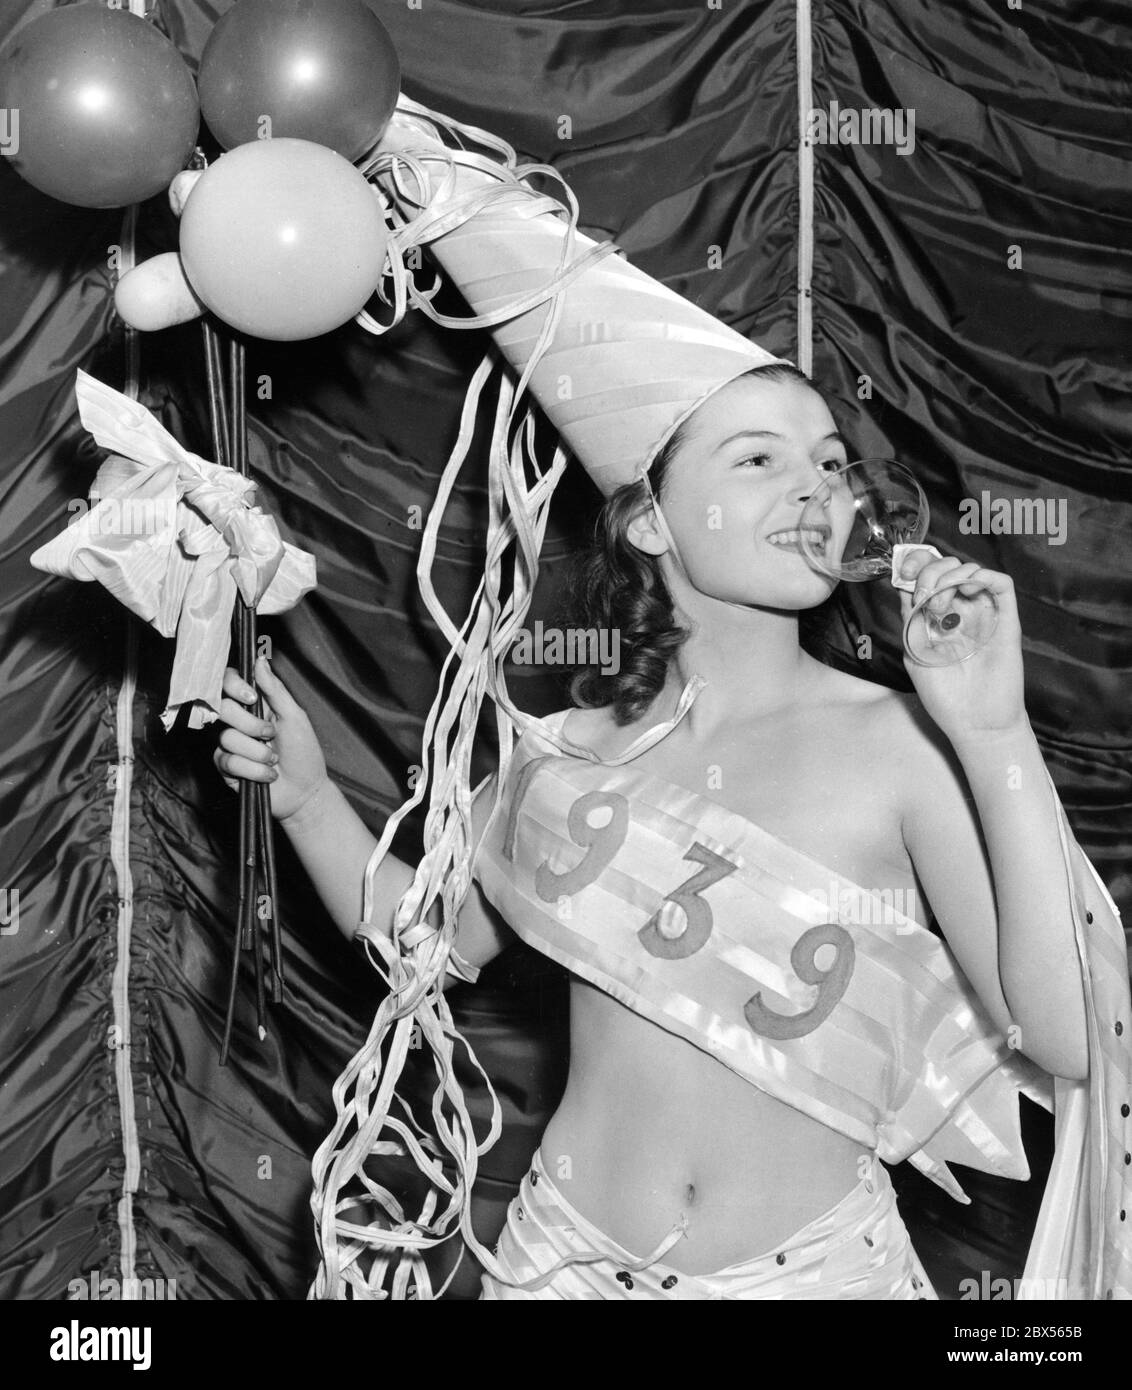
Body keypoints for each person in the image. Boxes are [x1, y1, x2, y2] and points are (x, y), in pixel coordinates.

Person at [214, 100, 1131, 1300]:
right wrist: (303, 796)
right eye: (755, 458)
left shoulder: (899, 744)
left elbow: (1067, 1043)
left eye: (828, 461)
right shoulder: (567, 754)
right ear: (650, 520)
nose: (814, 488)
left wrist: (994, 734)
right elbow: (426, 950)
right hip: (559, 1266)